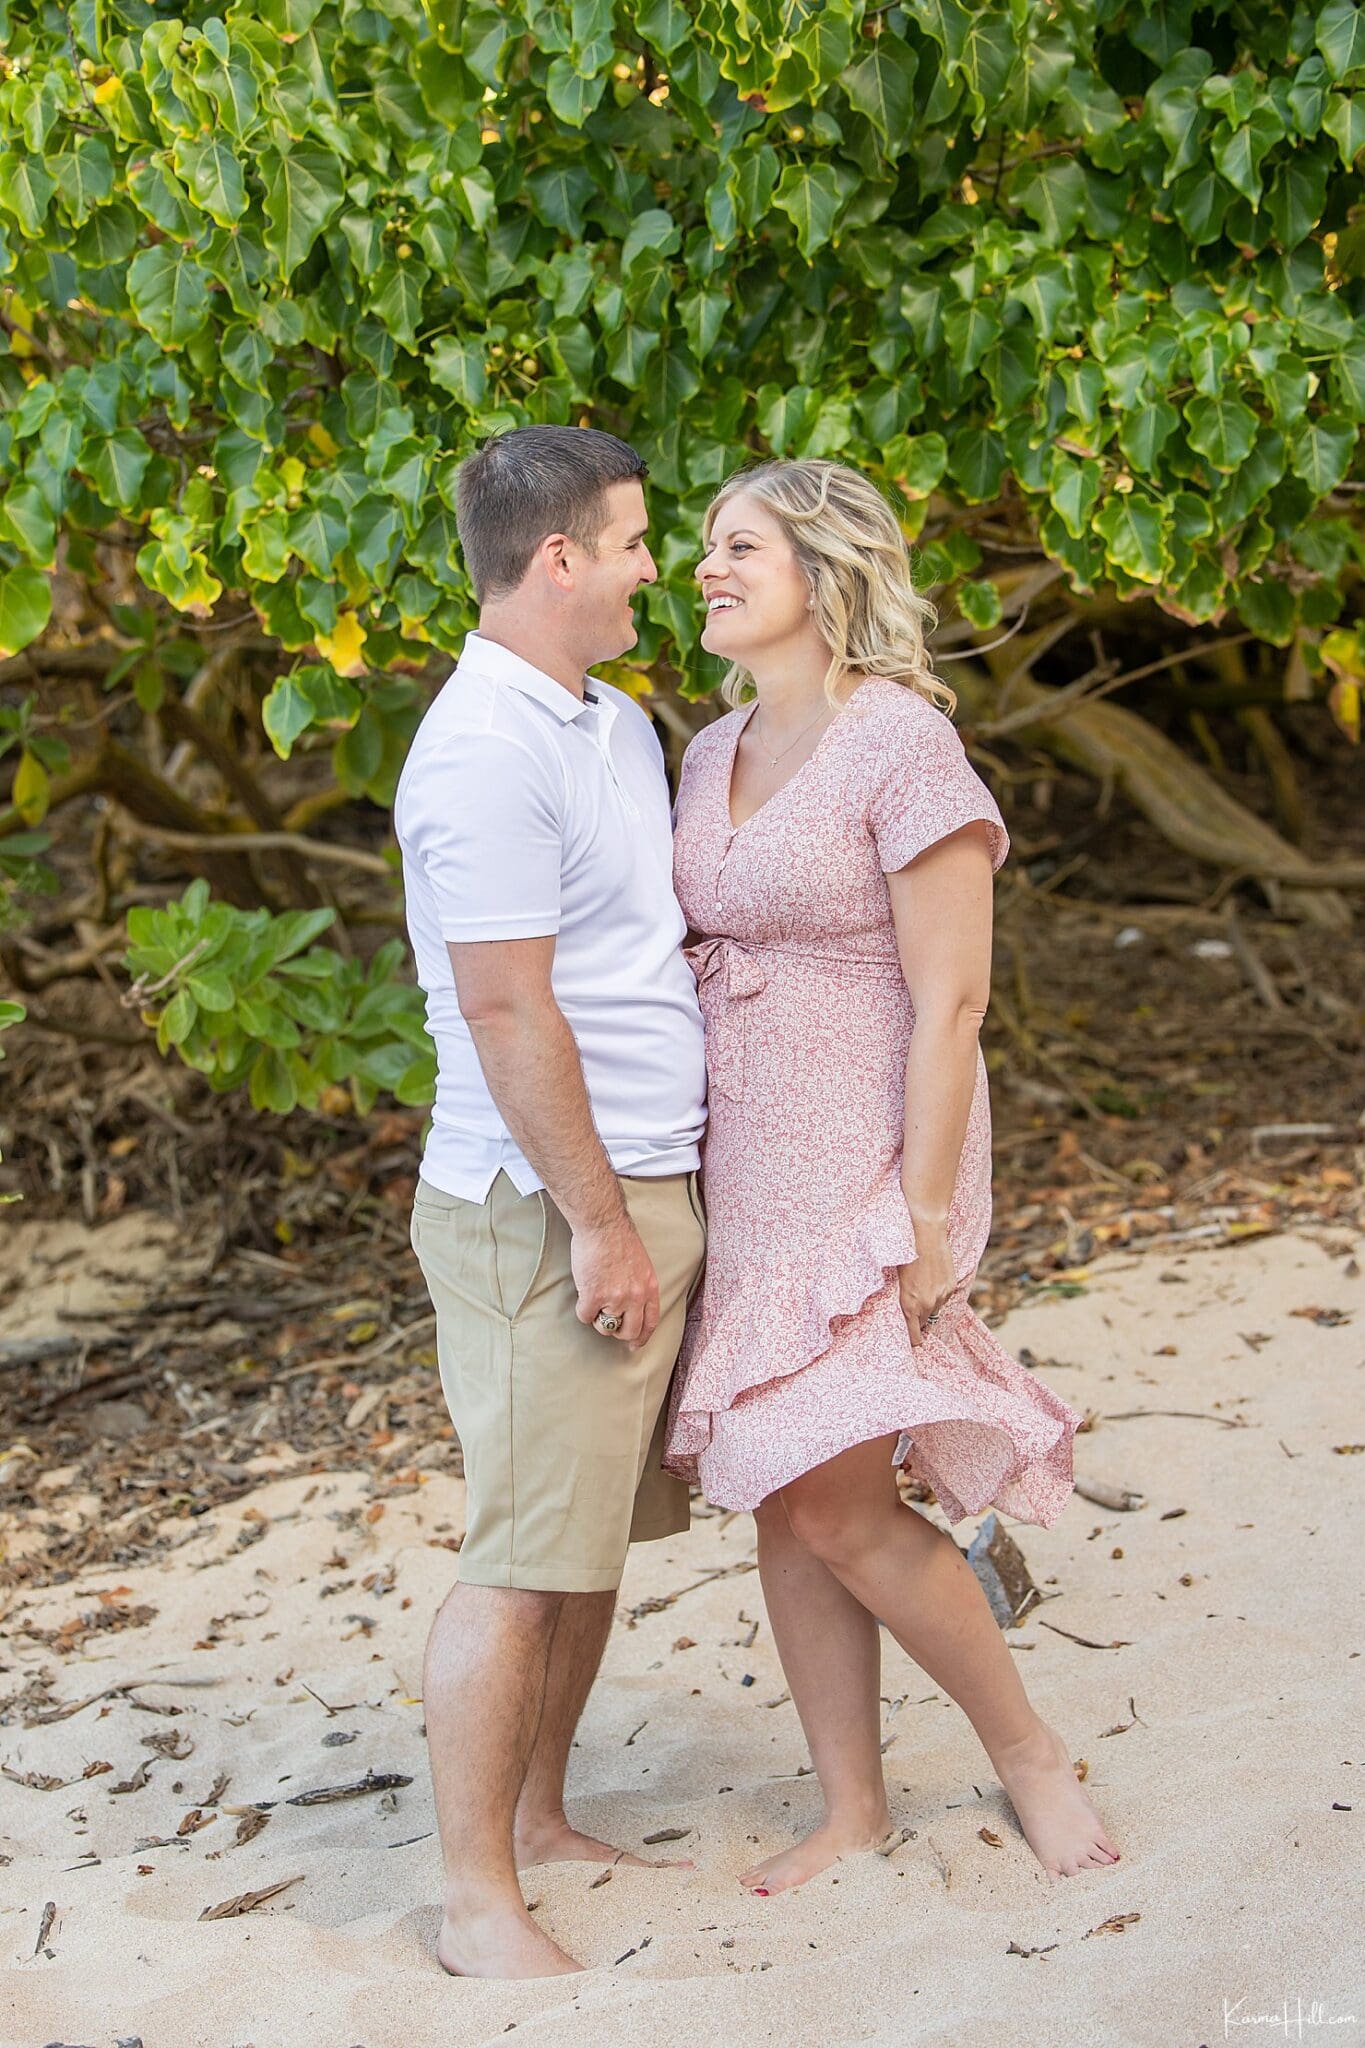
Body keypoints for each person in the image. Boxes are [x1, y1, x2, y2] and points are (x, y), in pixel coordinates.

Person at [665, 458, 1121, 1895]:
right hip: (743, 1166)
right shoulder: (700, 750)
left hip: (870, 1165)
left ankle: (1029, 1752)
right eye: (700, 549)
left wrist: (925, 1221)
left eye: (736, 546)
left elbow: (955, 1005)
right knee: (788, 1482)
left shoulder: (901, 745)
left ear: (823, 565)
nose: (704, 569)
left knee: (834, 1505)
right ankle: (850, 1805)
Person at [394, 425, 708, 1979]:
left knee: (581, 1543)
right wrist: (595, 1221)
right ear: (561, 559)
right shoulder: (481, 752)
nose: (662, 566)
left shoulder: (611, 723)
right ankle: (473, 1902)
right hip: (545, 1209)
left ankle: (538, 1822)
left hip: (641, 1183)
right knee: (520, 1558)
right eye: (639, 541)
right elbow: (508, 1015)